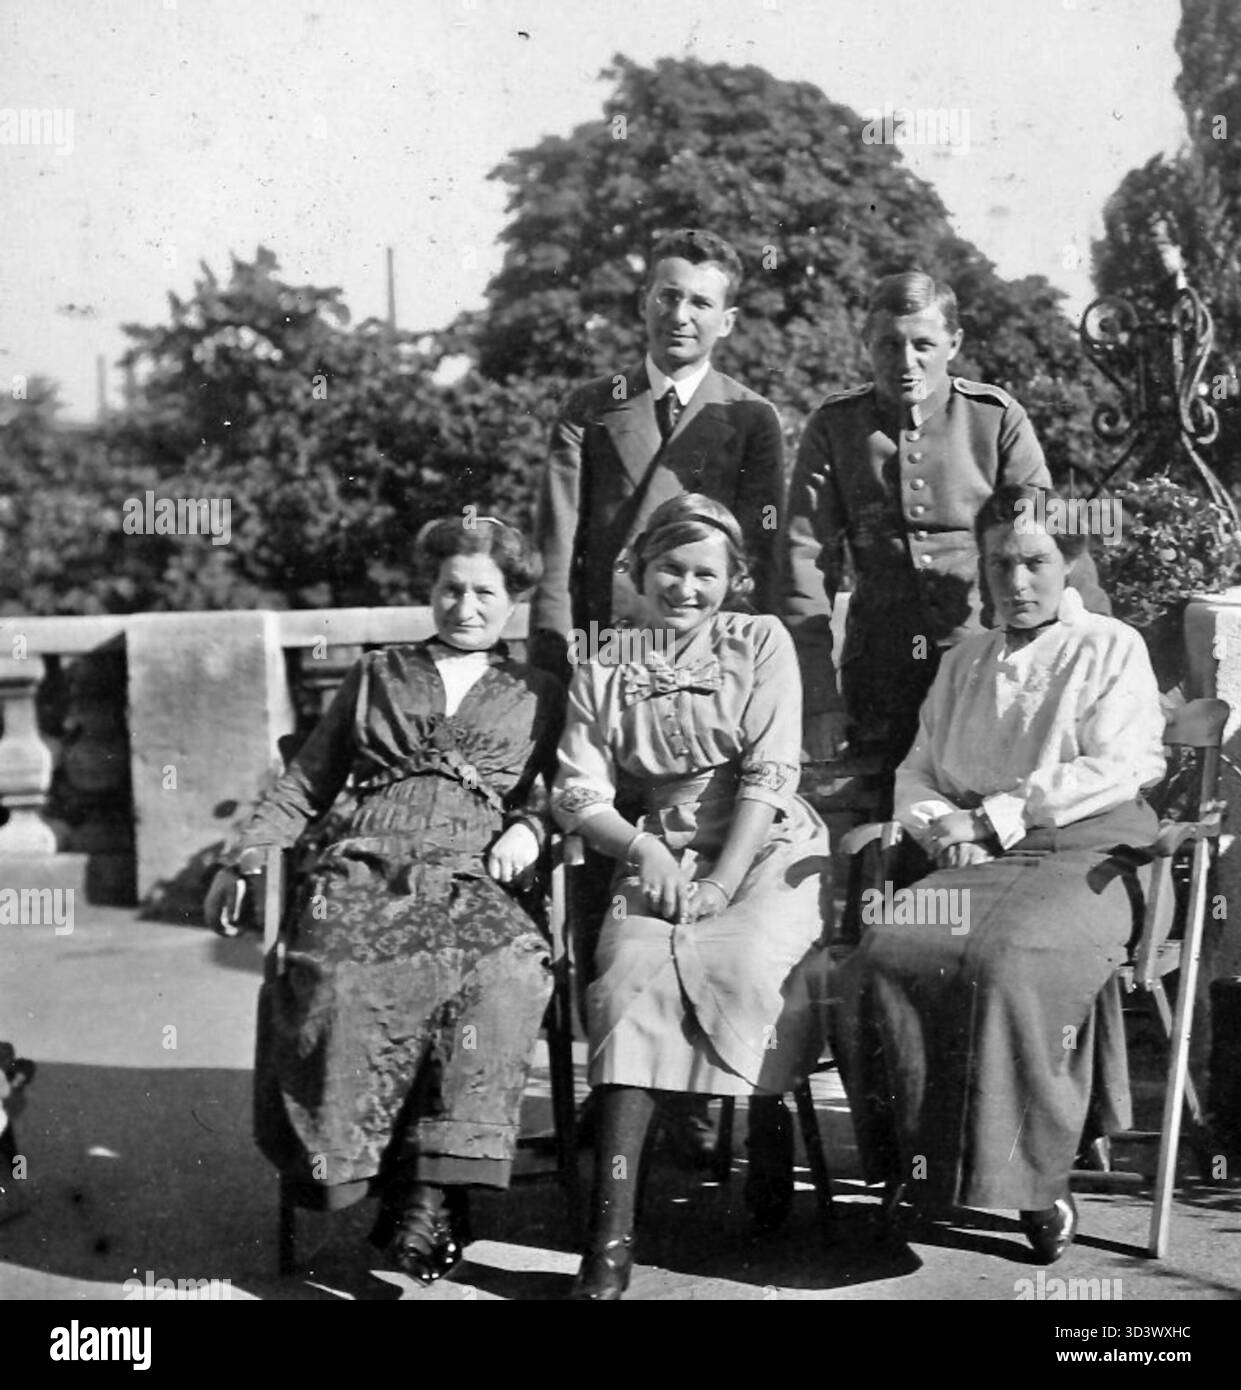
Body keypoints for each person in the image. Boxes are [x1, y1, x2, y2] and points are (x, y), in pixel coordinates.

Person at [202, 515, 563, 1285]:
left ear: (512, 601)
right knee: (342, 978)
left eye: (484, 593)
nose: (465, 607)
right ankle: (393, 1183)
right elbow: (305, 785)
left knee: (504, 973)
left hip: (473, 872)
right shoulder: (377, 673)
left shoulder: (537, 691)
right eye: (450, 589)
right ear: (430, 590)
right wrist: (246, 858)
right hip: (365, 867)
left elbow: (562, 795)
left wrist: (529, 830)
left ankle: (431, 1193)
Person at [831, 483, 1165, 1263]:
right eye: (999, 564)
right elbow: (917, 771)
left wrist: (989, 819)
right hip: (974, 861)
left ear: (1069, 563)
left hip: (1090, 858)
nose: (1016, 581)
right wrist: (940, 832)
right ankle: (918, 1165)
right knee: (884, 950)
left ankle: (1038, 1179)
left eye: (1035, 562)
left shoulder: (1109, 645)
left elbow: (1117, 767)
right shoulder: (964, 662)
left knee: (1004, 959)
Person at [532, 227, 786, 1164]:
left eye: (699, 302)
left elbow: (760, 559)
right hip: (608, 668)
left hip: (708, 679)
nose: (680, 315)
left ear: (726, 319)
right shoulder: (591, 407)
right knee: (609, 878)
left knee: (712, 873)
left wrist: (751, 673)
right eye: (666, 295)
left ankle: (698, 1094)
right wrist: (556, 668)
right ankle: (621, 1087)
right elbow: (557, 553)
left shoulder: (749, 415)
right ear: (643, 302)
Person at [552, 494, 831, 1299]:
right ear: (637, 572)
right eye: (669, 570)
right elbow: (578, 791)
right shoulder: (602, 662)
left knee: (747, 962)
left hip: (766, 843)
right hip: (658, 847)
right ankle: (609, 1238)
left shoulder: (759, 640)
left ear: (732, 579)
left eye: (705, 574)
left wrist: (719, 881)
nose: (685, 588)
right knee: (626, 977)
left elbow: (770, 773)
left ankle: (768, 1137)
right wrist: (642, 848)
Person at [781, 270, 1109, 786]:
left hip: (989, 657)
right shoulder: (836, 426)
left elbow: (1051, 538)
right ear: (866, 343)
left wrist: (1100, 643)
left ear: (953, 344)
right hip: (882, 673)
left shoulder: (994, 418)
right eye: (889, 345)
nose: (905, 362)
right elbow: (805, 558)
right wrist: (819, 698)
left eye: (923, 345)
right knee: (887, 807)